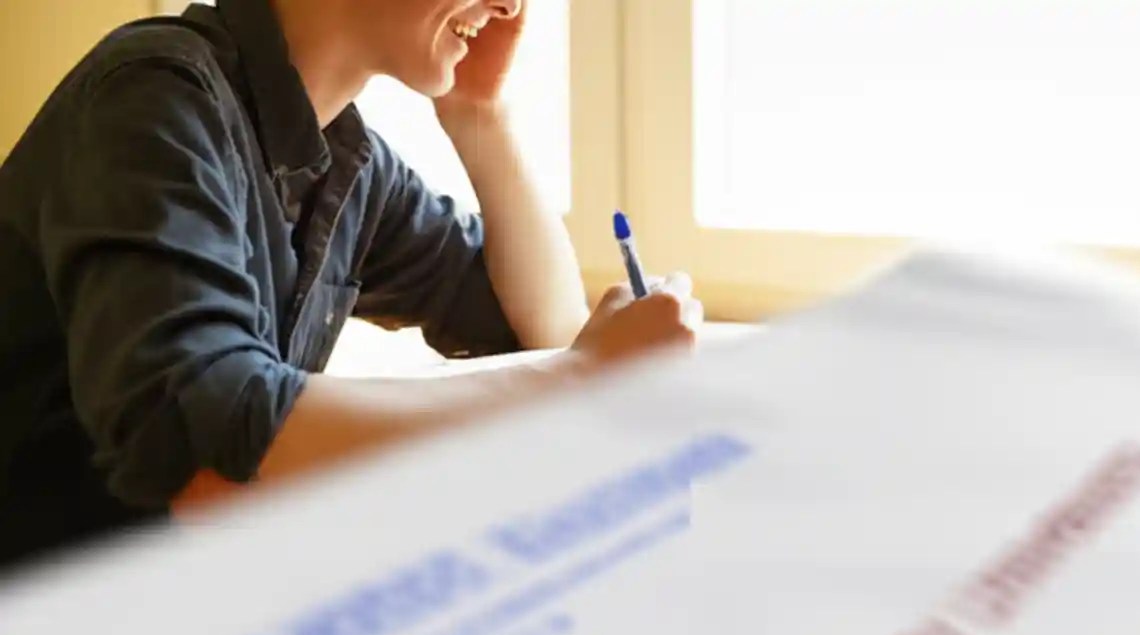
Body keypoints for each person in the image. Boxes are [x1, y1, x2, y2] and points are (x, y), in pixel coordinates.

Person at [0, 0, 703, 570]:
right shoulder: (154, 97)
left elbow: (539, 326)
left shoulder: (346, 164)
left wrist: (481, 117)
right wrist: (578, 379)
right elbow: (205, 430)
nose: (508, 6)